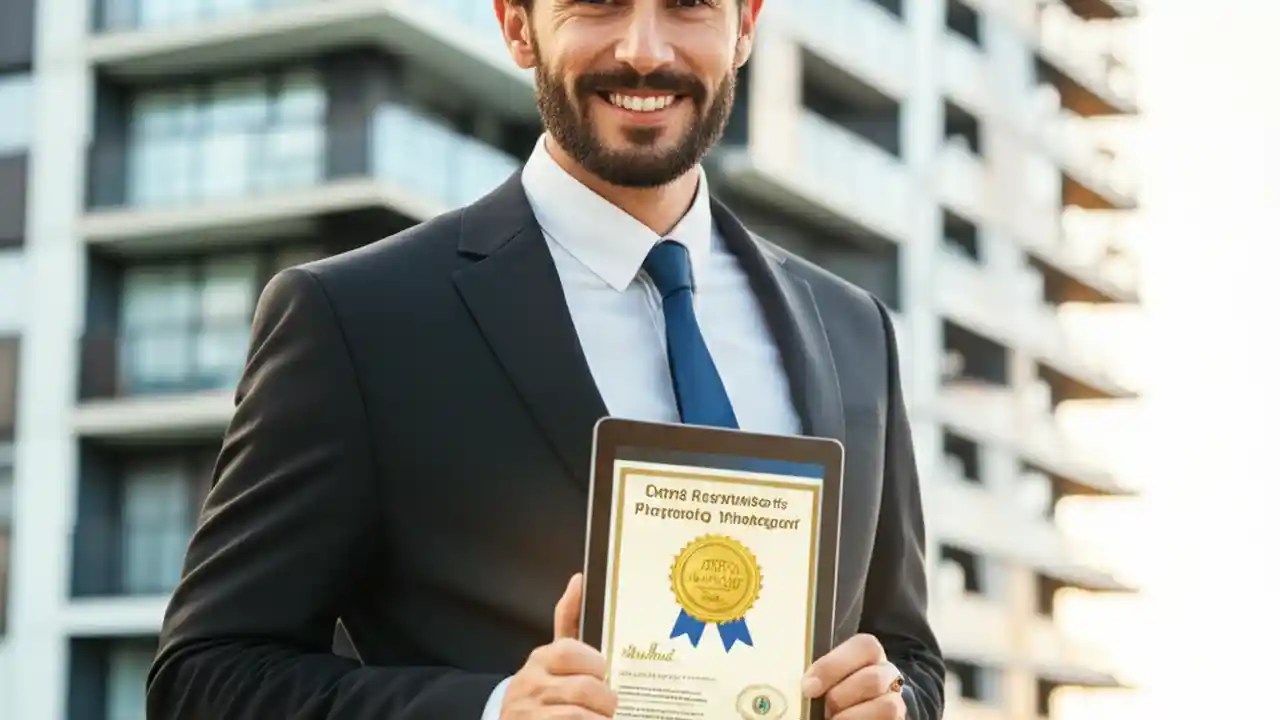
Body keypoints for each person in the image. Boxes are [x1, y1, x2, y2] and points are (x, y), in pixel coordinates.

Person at [146, 0, 945, 718]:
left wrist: (892, 707)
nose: (644, 49)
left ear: (745, 27)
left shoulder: (854, 330)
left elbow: (909, 655)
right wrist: (496, 711)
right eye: (598, 3)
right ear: (517, 26)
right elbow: (204, 677)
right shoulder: (354, 317)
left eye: (689, 4)